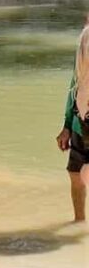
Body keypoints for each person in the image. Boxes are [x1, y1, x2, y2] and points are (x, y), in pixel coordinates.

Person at [56, 21, 89, 222]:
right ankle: (79, 222)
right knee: (75, 174)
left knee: (85, 173)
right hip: (80, 125)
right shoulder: (81, 64)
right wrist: (67, 125)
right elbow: (73, 91)